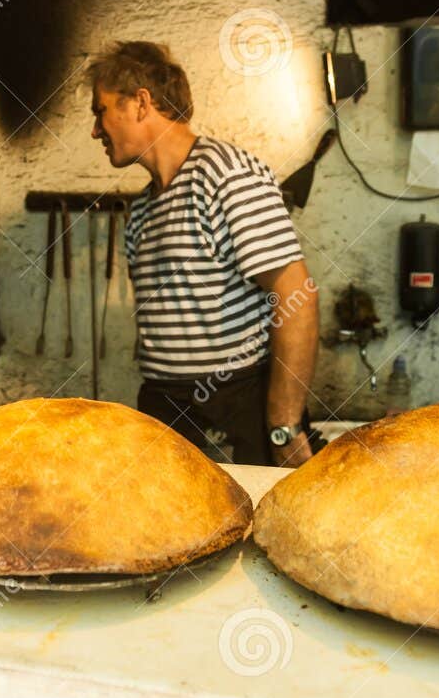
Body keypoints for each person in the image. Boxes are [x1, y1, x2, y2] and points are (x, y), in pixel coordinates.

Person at [88, 41, 319, 468]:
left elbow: (297, 296)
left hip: (233, 409)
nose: (96, 131)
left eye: (100, 111)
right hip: (163, 410)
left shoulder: (227, 174)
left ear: (141, 102)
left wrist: (284, 425)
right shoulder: (142, 209)